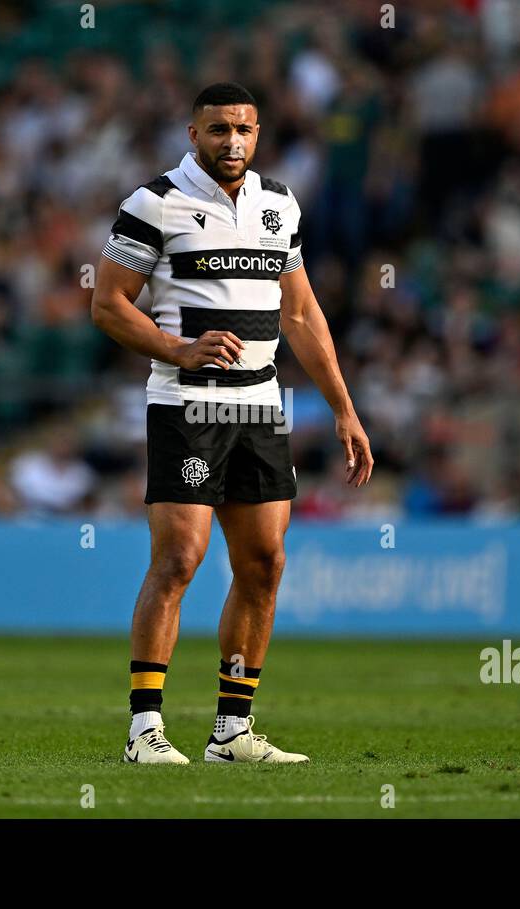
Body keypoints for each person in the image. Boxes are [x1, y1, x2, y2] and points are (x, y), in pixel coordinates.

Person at [90, 82, 373, 764]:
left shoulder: (280, 205)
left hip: (259, 408)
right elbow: (107, 304)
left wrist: (343, 407)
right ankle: (144, 730)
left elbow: (301, 314)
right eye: (218, 130)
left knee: (264, 564)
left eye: (244, 129)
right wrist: (180, 348)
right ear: (193, 134)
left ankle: (232, 730)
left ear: (258, 132)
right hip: (186, 406)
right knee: (180, 558)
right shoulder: (155, 204)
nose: (232, 142)